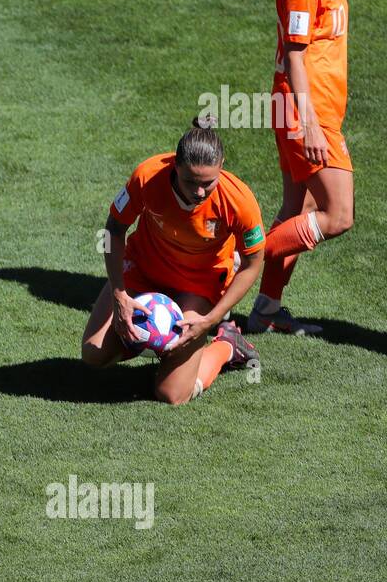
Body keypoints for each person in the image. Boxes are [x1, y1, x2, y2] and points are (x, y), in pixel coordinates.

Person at [249, 0, 367, 335]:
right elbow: (296, 56)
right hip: (306, 113)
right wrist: (312, 125)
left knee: (299, 209)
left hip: (313, 110)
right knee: (337, 215)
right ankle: (237, 260)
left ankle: (265, 310)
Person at [82, 117, 263, 404]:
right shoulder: (147, 176)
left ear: (222, 166)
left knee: (172, 394)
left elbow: (253, 264)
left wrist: (211, 320)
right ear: (174, 165)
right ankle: (150, 341)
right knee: (94, 353)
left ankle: (227, 345)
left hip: (198, 287)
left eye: (208, 183)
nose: (199, 192)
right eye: (190, 181)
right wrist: (119, 295)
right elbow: (114, 229)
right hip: (143, 270)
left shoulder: (239, 201)